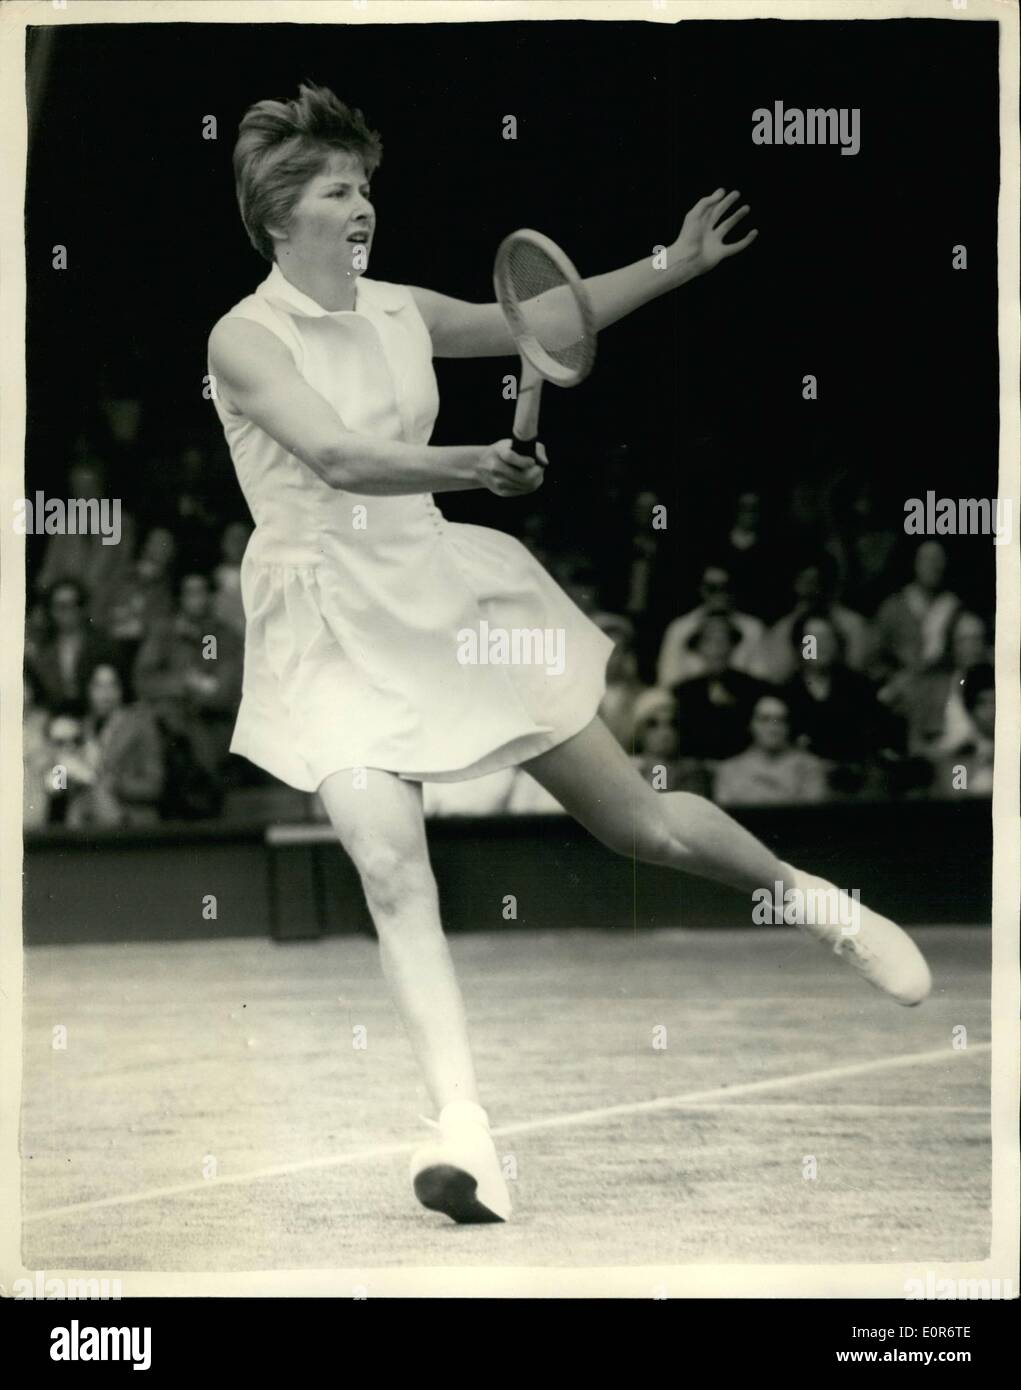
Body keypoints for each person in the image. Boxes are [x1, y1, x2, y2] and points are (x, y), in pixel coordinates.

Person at [207, 83, 930, 1227]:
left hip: (439, 595)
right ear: (279, 210)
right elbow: (338, 457)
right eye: (339, 189)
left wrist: (676, 261)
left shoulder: (401, 308)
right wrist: (473, 467)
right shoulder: (243, 337)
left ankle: (813, 902)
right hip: (328, 621)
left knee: (636, 823)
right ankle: (463, 1134)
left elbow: (541, 312)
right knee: (391, 866)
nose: (362, 205)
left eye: (366, 187)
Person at [68, 664, 165, 828]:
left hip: (130, 822)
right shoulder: (84, 728)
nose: (105, 694)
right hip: (87, 821)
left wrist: (116, 784)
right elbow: (63, 786)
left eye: (112, 685)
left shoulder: (140, 725)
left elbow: (155, 785)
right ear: (88, 690)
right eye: (98, 686)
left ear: (121, 689)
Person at [670, 615, 774, 763]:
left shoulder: (754, 688)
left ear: (732, 646)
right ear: (699, 648)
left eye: (723, 641)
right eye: (709, 641)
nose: (716, 648)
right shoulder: (683, 691)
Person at [656, 564, 766, 688]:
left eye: (725, 587)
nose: (719, 595)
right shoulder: (679, 629)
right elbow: (668, 680)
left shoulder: (753, 628)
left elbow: (760, 677)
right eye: (712, 588)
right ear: (701, 589)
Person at [714, 695, 828, 806]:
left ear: (789, 726)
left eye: (781, 720)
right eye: (764, 719)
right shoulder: (729, 769)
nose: (773, 728)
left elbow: (813, 816)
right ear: (750, 724)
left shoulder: (810, 767)